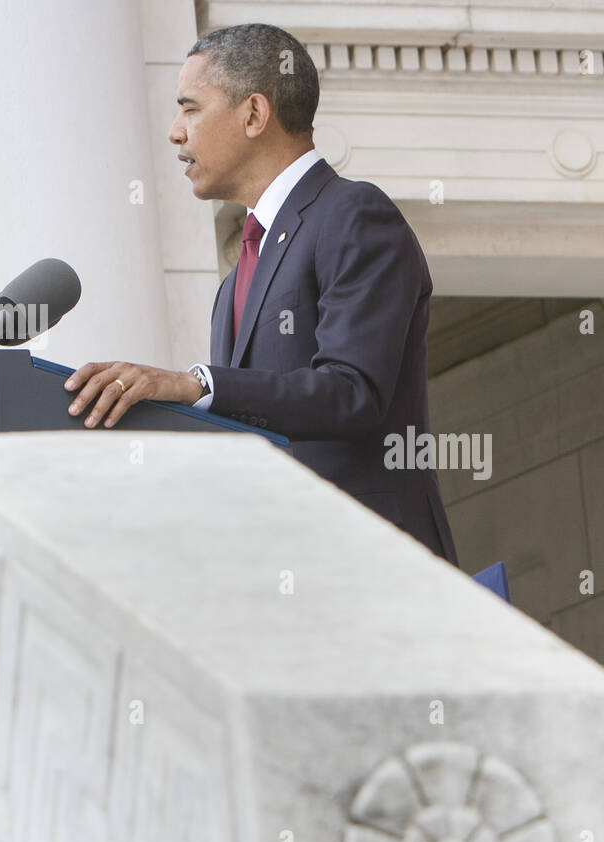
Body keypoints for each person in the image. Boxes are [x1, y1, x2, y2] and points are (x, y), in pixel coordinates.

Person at [64, 23, 457, 563]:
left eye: (190, 108)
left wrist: (192, 384)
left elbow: (351, 392)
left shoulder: (353, 215)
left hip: (370, 566)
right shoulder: (232, 285)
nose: (175, 132)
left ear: (253, 114)